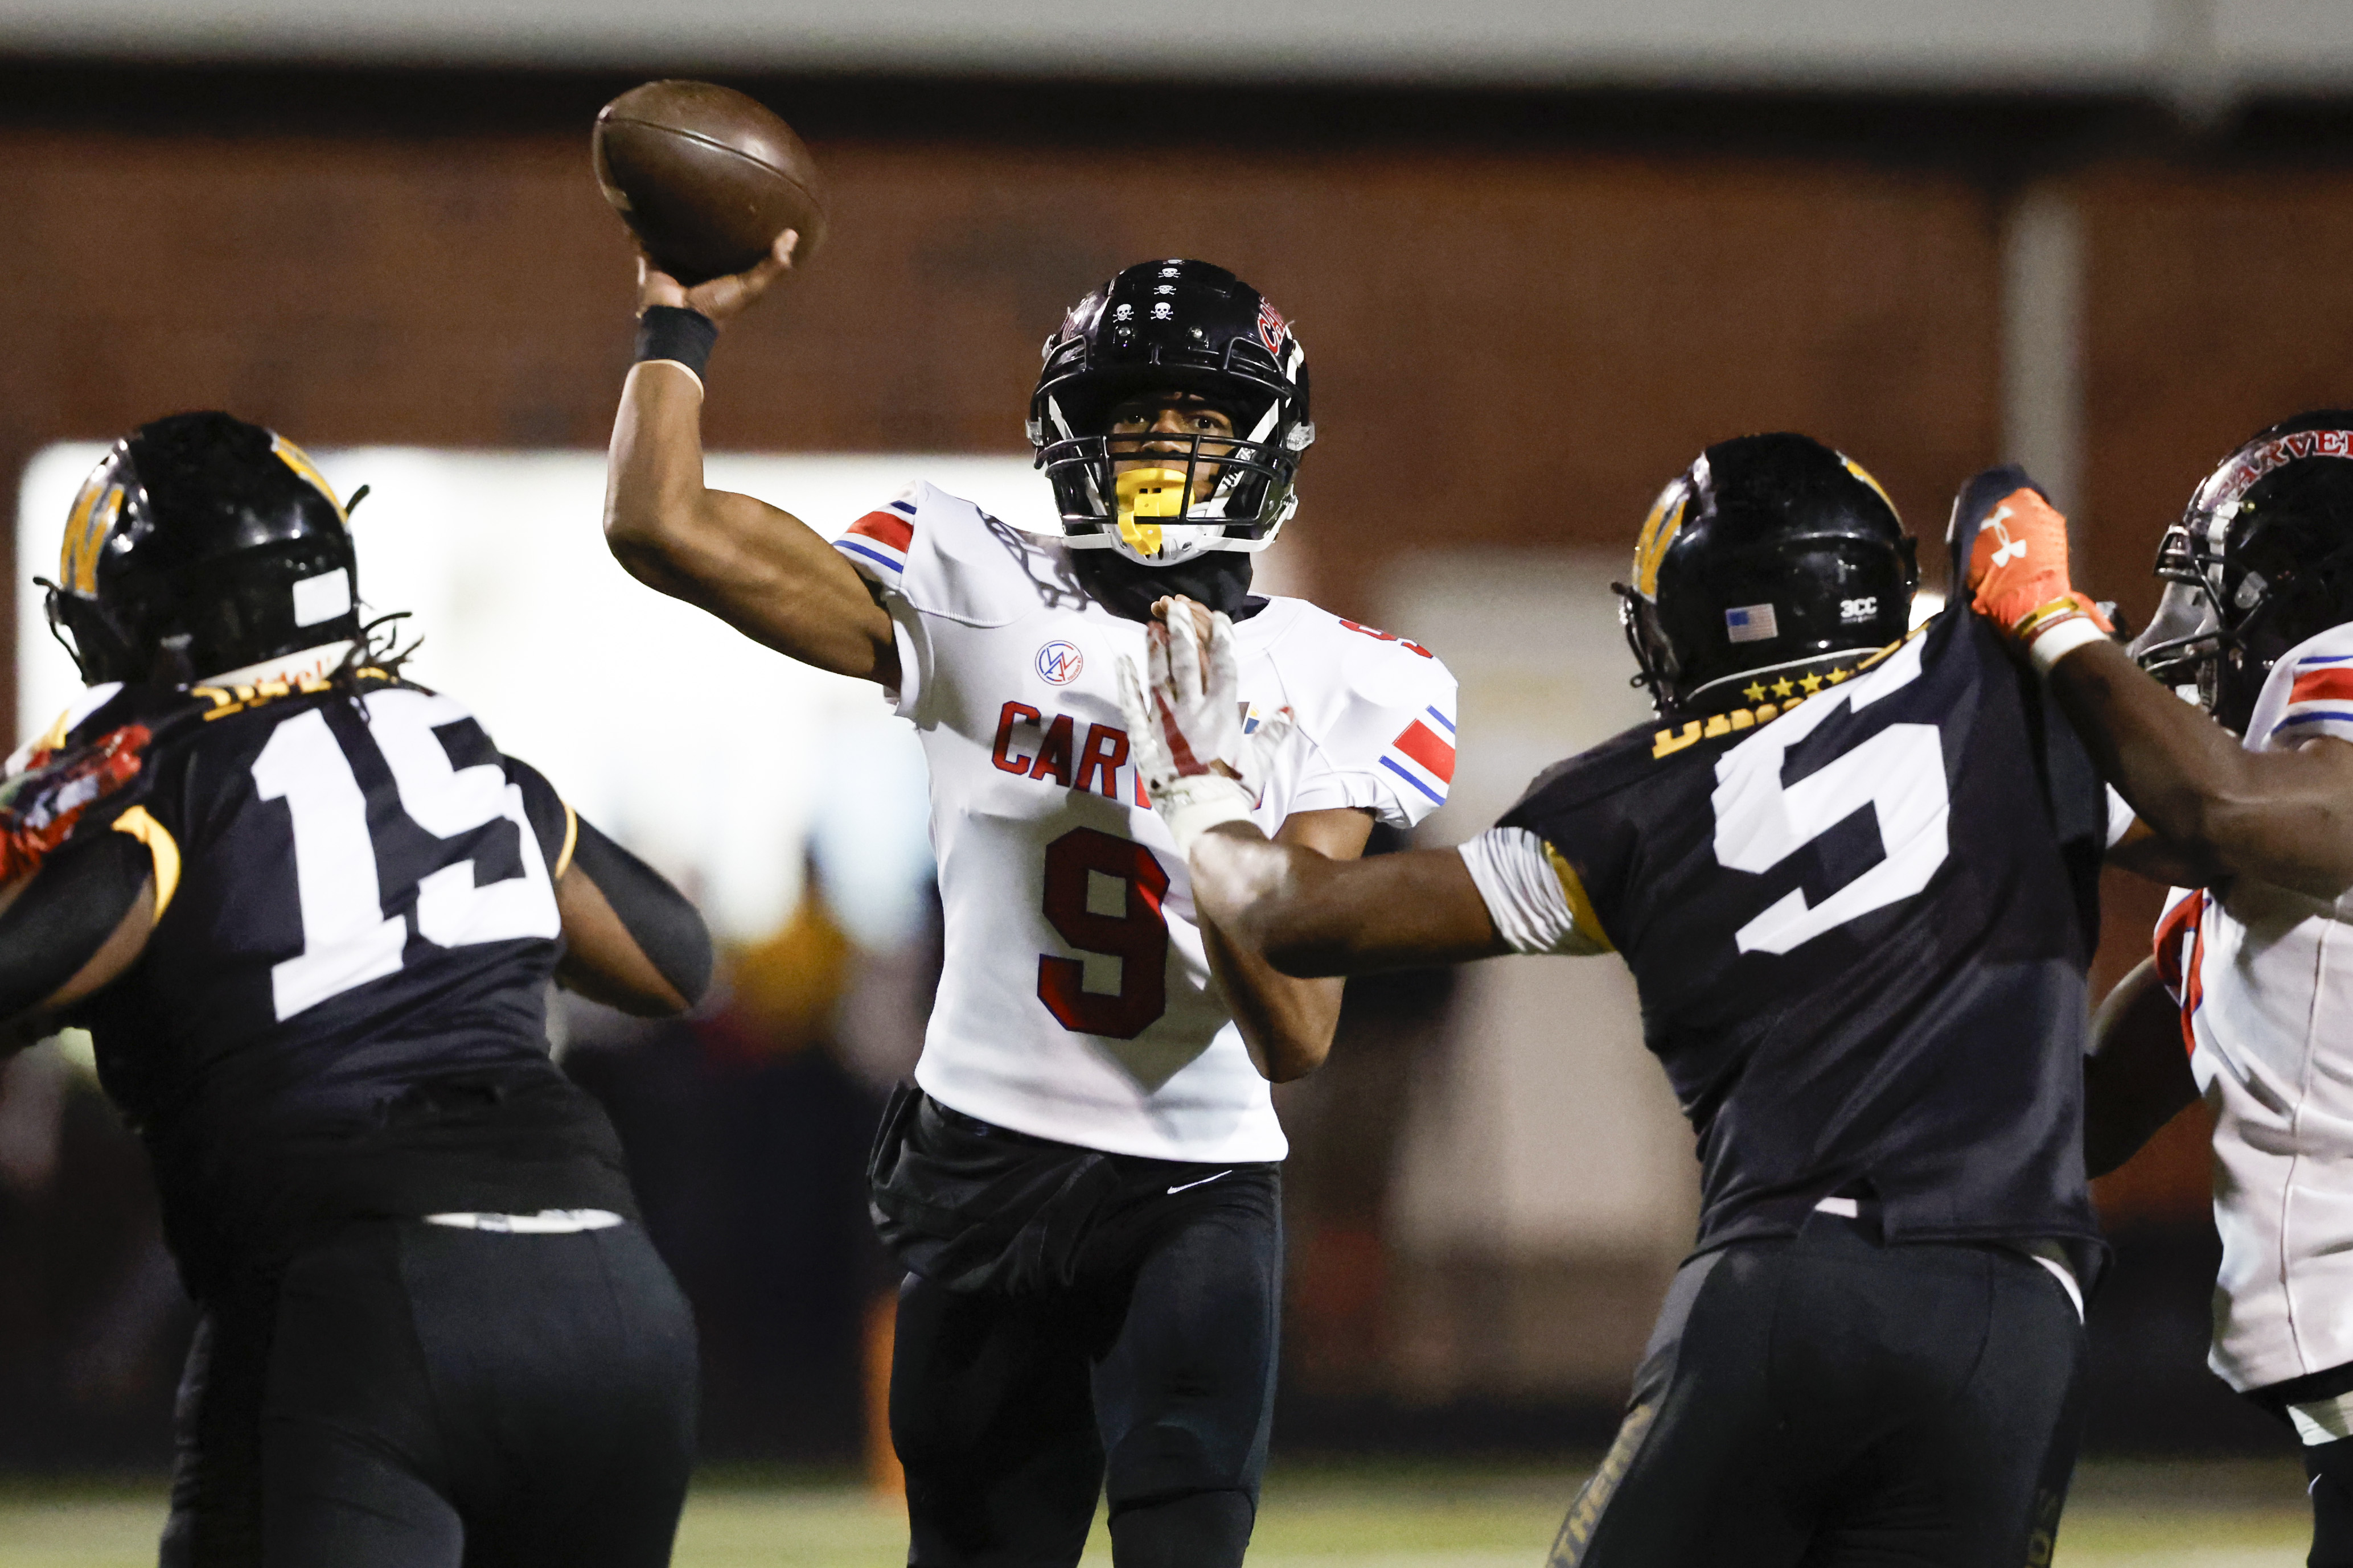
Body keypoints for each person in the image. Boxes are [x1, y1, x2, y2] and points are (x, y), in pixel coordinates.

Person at [1118, 433, 2117, 1567]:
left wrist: (1200, 788)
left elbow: (1293, 915)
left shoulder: (1625, 799)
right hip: (2022, 1303)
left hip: (1786, 1280)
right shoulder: (2007, 693)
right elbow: (2223, 817)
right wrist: (2048, 599)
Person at [600, 245, 1457, 1566]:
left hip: (1198, 1178)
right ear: (1070, 439)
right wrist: (677, 324)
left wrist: (1206, 797)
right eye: (1132, 421)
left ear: (1269, 449)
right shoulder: (971, 579)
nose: (1165, 453)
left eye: (1201, 423)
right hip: (987, 1162)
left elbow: (1297, 1031)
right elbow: (660, 524)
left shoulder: (1337, 673)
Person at [3, 412, 712, 1567]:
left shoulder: (170, 796)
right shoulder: (462, 752)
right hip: (611, 1296)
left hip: (370, 1309)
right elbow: (675, 958)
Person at [1972, 413, 2353, 1568]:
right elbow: (2076, 1120)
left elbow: (2219, 806)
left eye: (2211, 585)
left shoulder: (2281, 787)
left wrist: (2047, 625)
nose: (2187, 631)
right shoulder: (2235, 898)